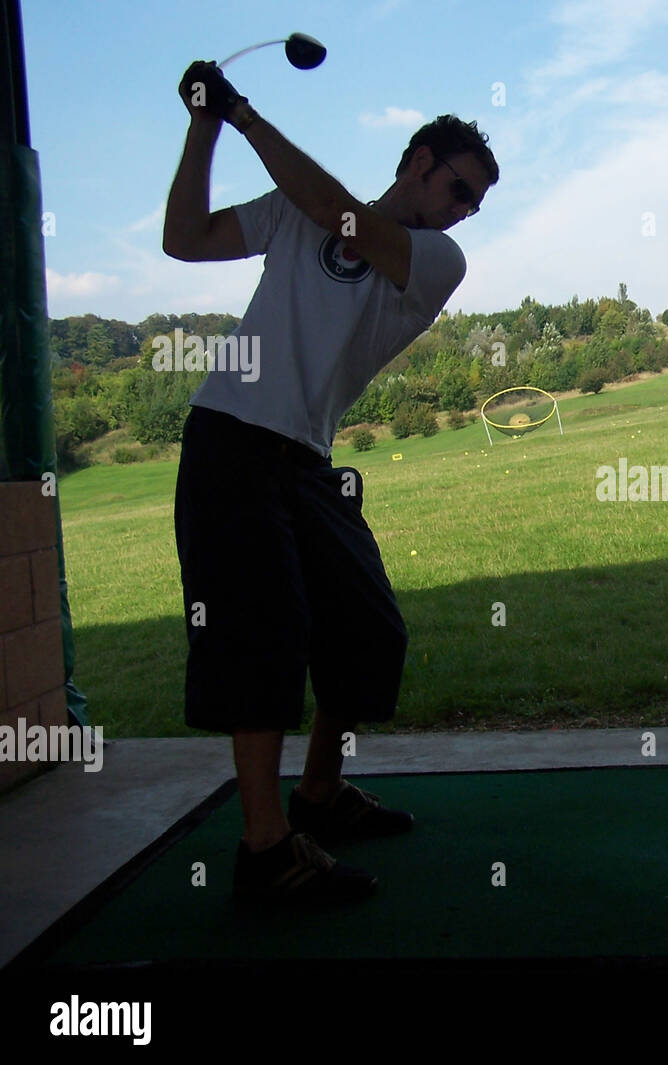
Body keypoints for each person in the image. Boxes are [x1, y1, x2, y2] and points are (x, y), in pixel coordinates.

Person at [163, 60, 498, 904]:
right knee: (258, 638)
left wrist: (240, 112)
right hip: (230, 442)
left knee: (367, 629)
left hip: (305, 458)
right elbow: (185, 236)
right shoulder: (292, 209)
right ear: (419, 159)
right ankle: (266, 849)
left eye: (476, 204)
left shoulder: (434, 258)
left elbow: (339, 213)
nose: (466, 212)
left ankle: (319, 793)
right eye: (459, 188)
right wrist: (205, 125)